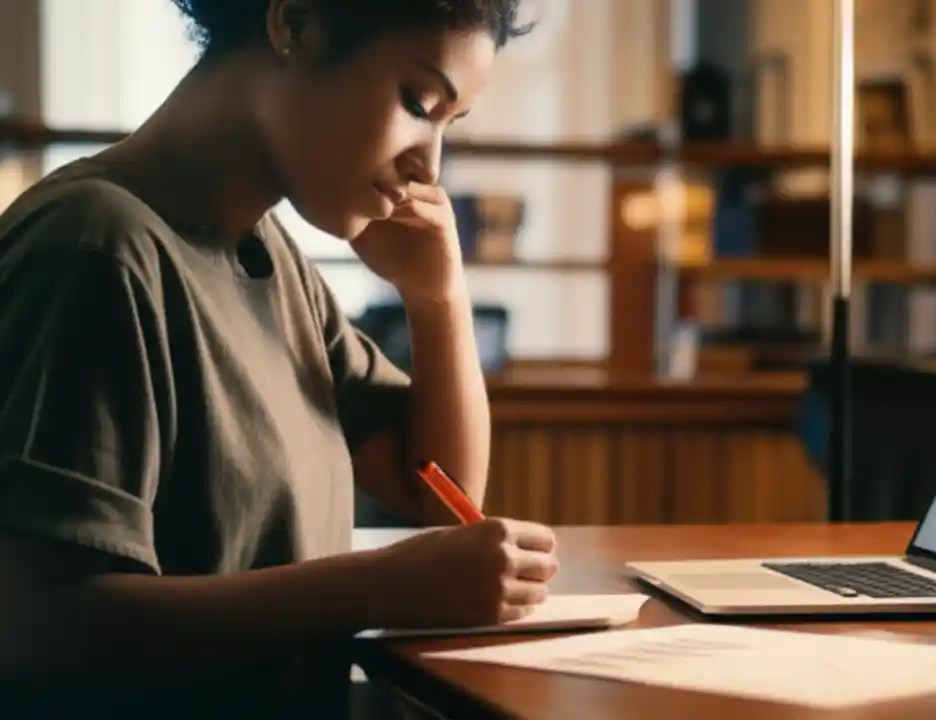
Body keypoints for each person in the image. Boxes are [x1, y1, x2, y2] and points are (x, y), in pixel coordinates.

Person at [0, 0, 557, 715]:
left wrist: (439, 298)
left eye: (449, 125)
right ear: (293, 24)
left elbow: (436, 493)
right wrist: (381, 586)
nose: (430, 164)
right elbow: (39, 626)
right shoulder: (93, 250)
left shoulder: (272, 259)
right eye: (419, 104)